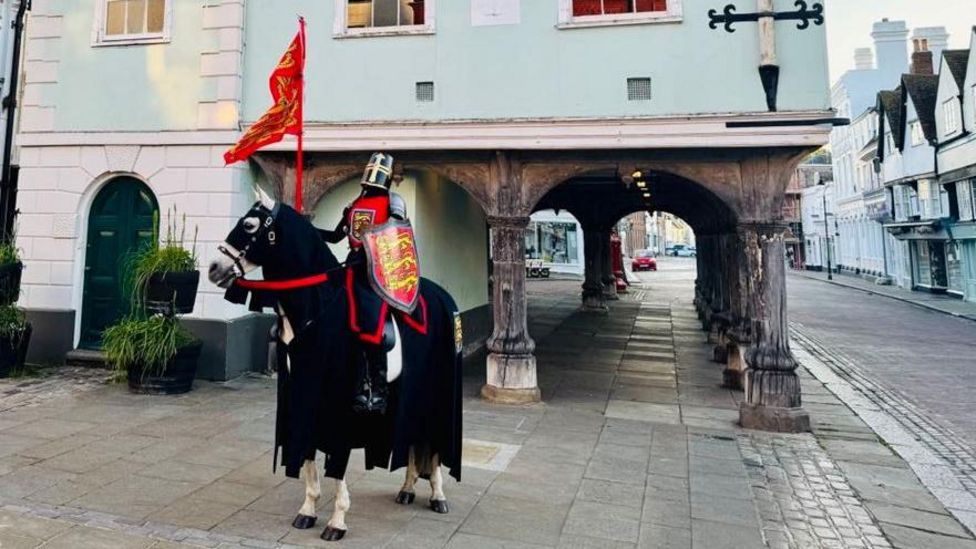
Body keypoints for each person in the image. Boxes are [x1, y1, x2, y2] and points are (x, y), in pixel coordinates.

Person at [319, 152, 408, 414]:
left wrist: (374, 257)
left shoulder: (394, 201)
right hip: (351, 267)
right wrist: (307, 229)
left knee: (370, 322)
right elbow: (337, 236)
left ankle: (378, 389)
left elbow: (396, 234)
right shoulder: (354, 203)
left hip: (377, 272)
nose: (373, 180)